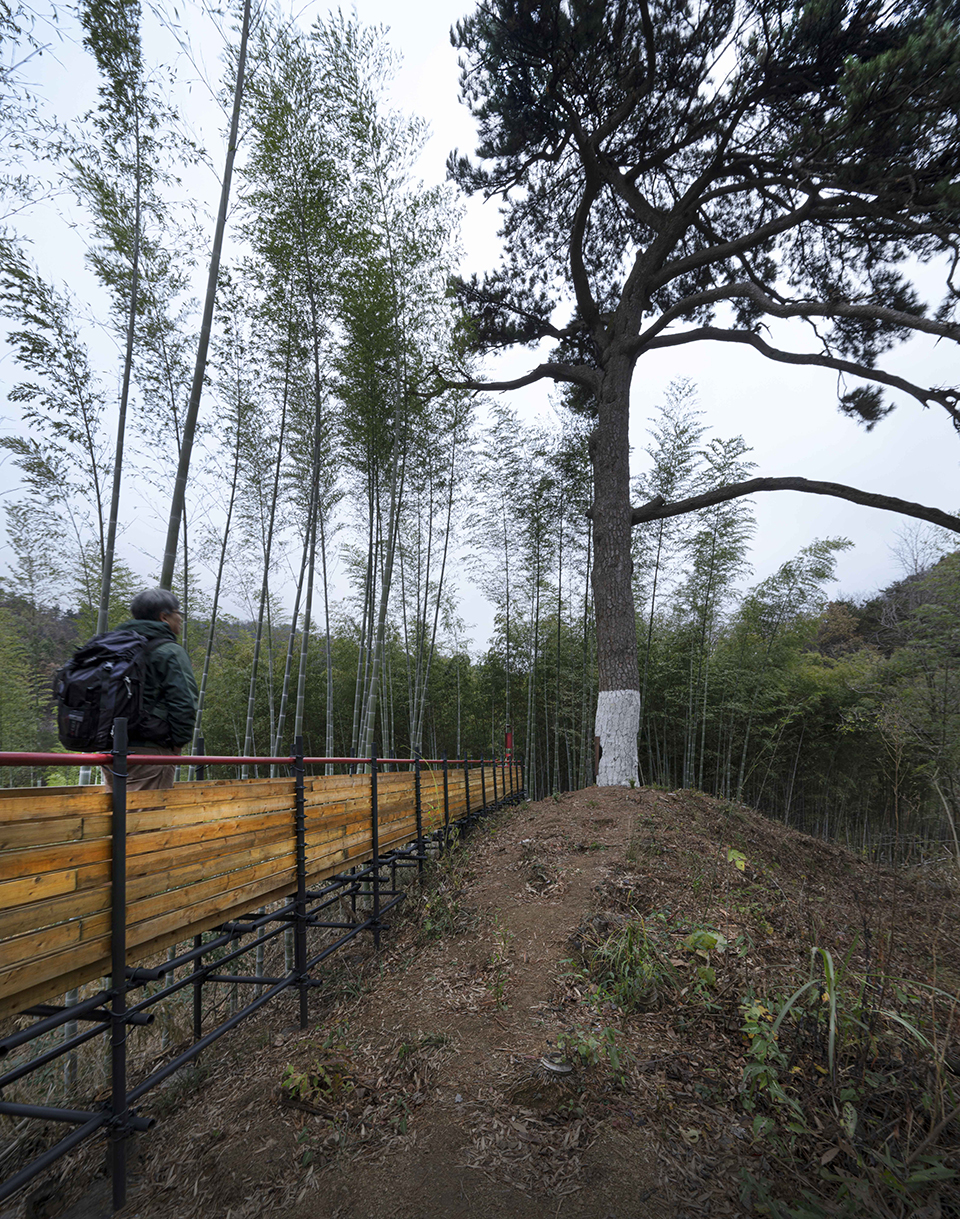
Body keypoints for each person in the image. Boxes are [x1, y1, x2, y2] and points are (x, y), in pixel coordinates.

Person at [102, 588, 199, 792]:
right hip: (149, 750)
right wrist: (176, 745)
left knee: (116, 815)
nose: (180, 619)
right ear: (164, 617)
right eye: (178, 613)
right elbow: (184, 702)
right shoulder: (169, 651)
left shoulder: (114, 646)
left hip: (110, 747)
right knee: (143, 818)